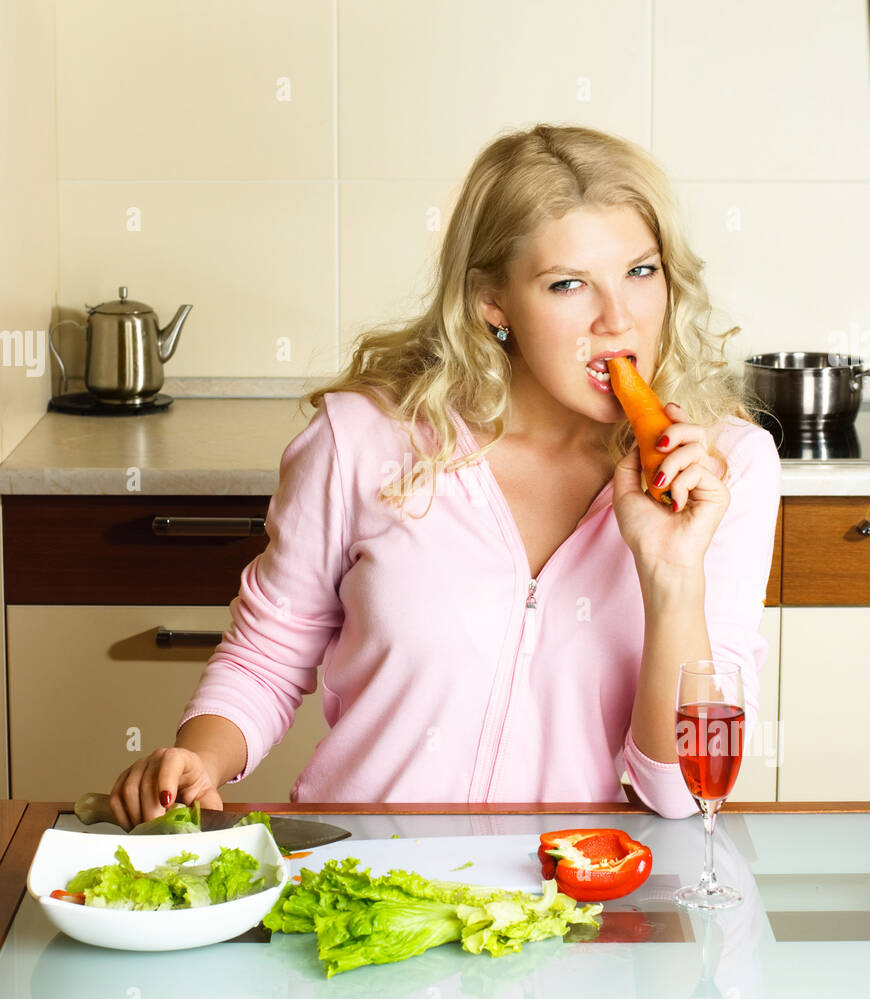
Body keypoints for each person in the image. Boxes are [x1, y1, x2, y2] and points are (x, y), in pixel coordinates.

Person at [108, 123, 781, 828]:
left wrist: (672, 572)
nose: (618, 320)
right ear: (493, 302)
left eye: (642, 272)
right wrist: (197, 761)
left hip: (576, 901)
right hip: (366, 878)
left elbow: (681, 795)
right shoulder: (362, 438)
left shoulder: (724, 470)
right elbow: (268, 655)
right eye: (568, 284)